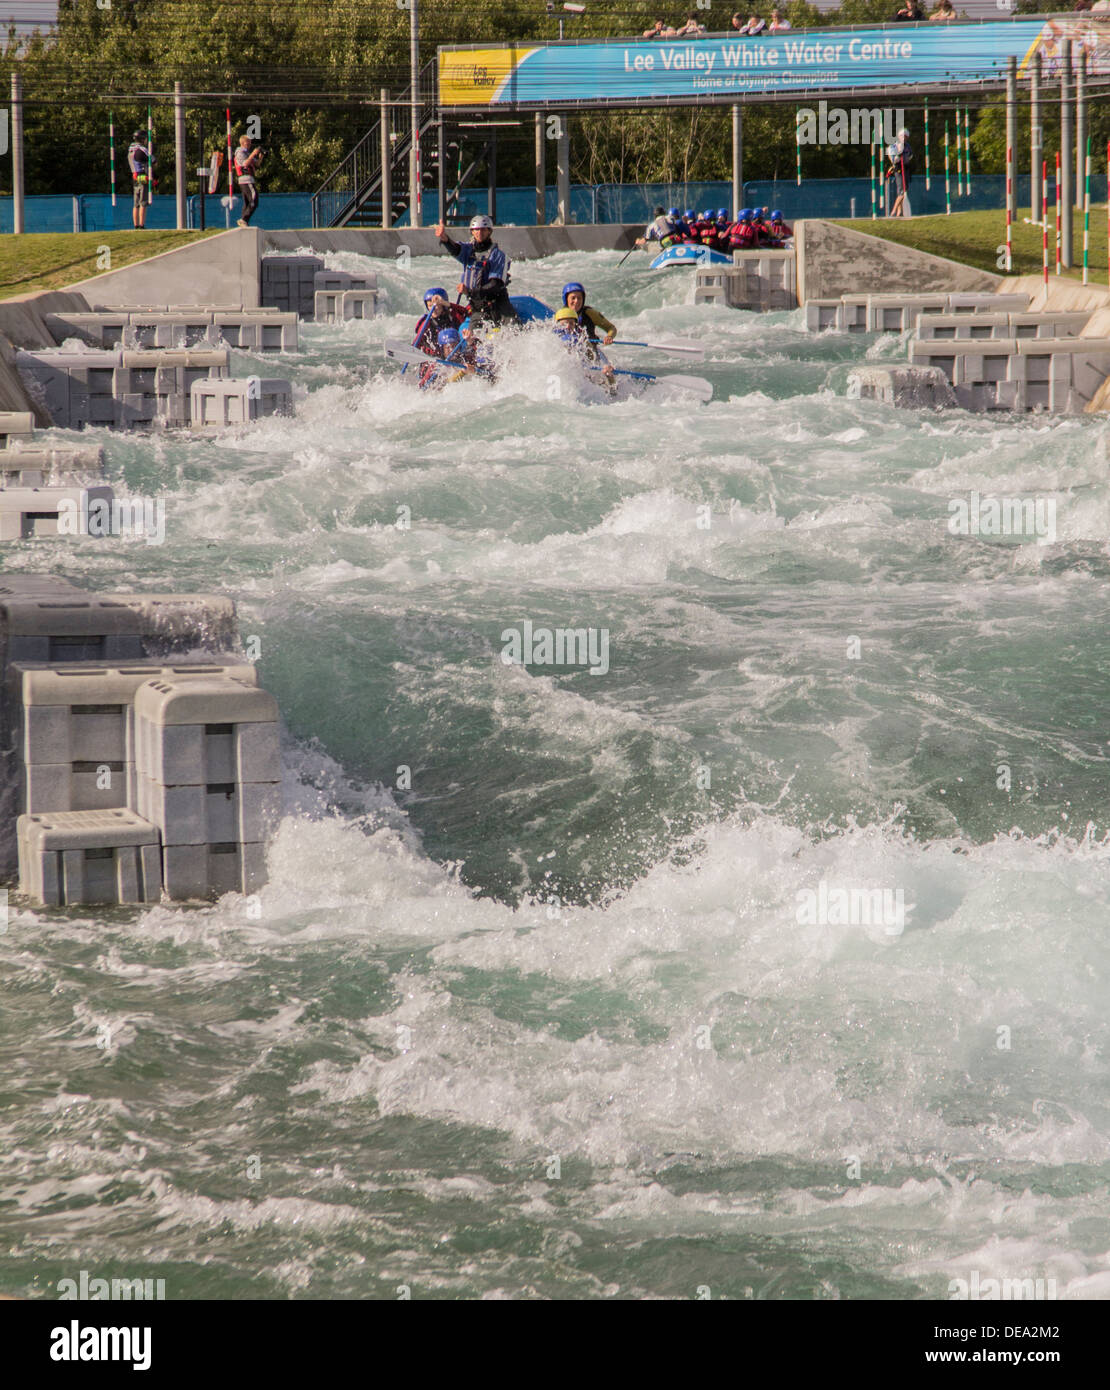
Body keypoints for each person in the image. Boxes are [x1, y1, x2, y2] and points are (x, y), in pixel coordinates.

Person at [434, 214, 519, 325]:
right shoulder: (468, 250)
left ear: (489, 231)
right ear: (472, 232)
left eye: (483, 229)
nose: (479, 232)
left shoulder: (498, 255)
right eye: (476, 230)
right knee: (471, 335)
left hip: (499, 304)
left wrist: (469, 292)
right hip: (478, 307)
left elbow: (495, 285)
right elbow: (456, 249)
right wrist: (445, 239)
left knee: (513, 325)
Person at [554, 306, 617, 392]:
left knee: (604, 383)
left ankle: (610, 379)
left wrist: (606, 369)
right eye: (565, 323)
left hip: (584, 375)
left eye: (571, 323)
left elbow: (593, 362)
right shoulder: (551, 339)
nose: (568, 326)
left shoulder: (582, 342)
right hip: (562, 377)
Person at [414, 287, 468, 355]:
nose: (433, 309)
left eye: (436, 305)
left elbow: (465, 312)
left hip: (455, 351)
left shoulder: (451, 314)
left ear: (443, 305)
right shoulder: (426, 322)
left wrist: (446, 303)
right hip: (435, 355)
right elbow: (416, 344)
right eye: (430, 306)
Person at [234, 135, 263, 227]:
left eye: (250, 142)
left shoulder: (247, 153)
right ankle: (244, 219)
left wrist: (260, 157)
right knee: (254, 199)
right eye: (248, 142)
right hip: (245, 179)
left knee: (247, 202)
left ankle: (244, 221)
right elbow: (245, 163)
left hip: (249, 178)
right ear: (243, 143)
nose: (250, 144)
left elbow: (257, 164)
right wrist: (253, 154)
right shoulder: (240, 153)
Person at [127, 131, 154, 229]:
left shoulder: (131, 149)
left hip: (134, 177)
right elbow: (153, 160)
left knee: (136, 203)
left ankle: (136, 225)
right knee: (143, 202)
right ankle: (141, 225)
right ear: (142, 139)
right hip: (143, 177)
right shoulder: (142, 149)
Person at [886, 129, 913, 216]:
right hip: (898, 170)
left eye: (905, 137)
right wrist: (898, 156)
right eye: (902, 136)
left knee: (901, 191)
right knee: (902, 192)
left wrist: (906, 159)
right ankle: (893, 211)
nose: (904, 138)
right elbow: (893, 159)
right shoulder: (894, 146)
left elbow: (910, 156)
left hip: (906, 169)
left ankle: (899, 212)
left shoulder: (908, 147)